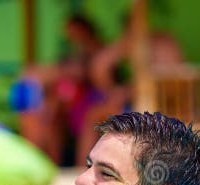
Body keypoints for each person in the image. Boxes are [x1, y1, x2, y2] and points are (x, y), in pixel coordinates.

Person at [75, 27, 184, 166]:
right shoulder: (140, 45)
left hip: (159, 109)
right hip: (139, 105)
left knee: (96, 116)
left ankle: (85, 168)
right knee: (93, 115)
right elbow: (99, 68)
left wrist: (126, 92)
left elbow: (167, 83)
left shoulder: (159, 44)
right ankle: (85, 168)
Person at [10, 14, 104, 164]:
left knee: (35, 86)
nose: (70, 37)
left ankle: (40, 160)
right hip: (69, 103)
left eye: (73, 32)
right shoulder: (76, 54)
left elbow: (85, 74)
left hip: (86, 103)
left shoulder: (95, 52)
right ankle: (43, 160)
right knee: (46, 111)